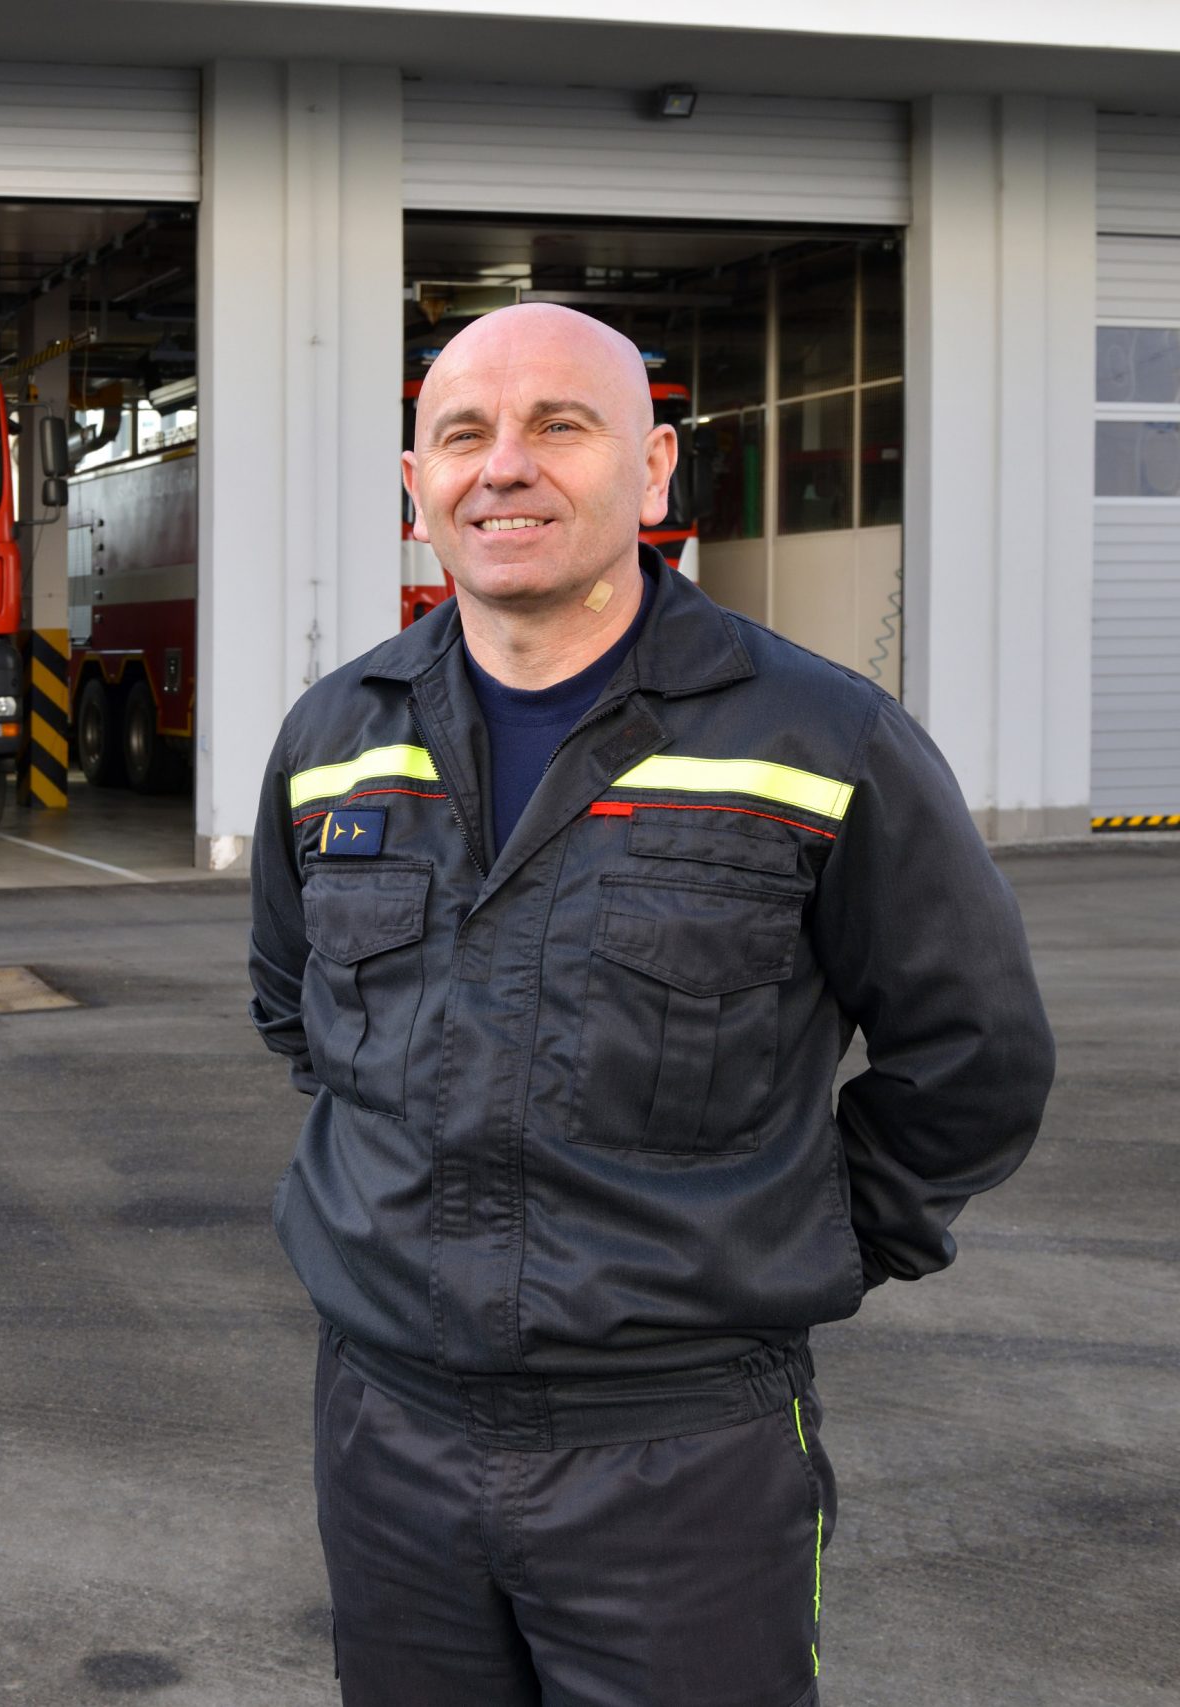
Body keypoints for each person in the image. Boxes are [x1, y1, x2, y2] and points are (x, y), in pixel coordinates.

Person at [246, 304, 1053, 1707]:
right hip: (388, 1437)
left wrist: (806, 1238)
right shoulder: (334, 737)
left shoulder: (818, 736)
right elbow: (295, 1011)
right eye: (462, 434)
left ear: (656, 470)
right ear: (415, 484)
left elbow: (975, 1053)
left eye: (561, 425)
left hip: (679, 1453)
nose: (504, 466)